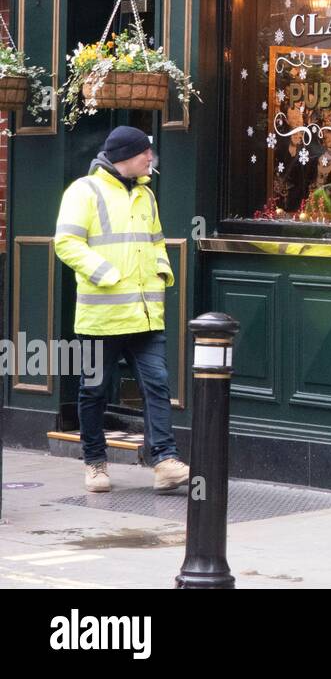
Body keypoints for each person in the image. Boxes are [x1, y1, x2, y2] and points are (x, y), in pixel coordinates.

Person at [52, 126, 190, 494]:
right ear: (125, 157)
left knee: (157, 386)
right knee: (94, 390)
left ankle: (164, 461)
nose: (151, 158)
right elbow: (65, 243)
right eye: (145, 152)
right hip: (102, 317)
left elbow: (156, 240)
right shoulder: (85, 191)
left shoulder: (146, 195)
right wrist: (106, 273)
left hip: (145, 315)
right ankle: (95, 463)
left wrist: (163, 270)